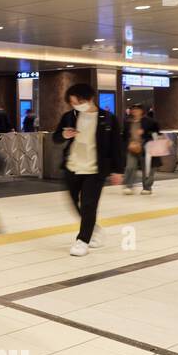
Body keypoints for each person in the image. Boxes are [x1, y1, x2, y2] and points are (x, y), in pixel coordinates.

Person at [52, 83, 124, 257]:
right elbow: (56, 138)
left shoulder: (108, 118)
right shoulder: (69, 117)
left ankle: (82, 240)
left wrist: (118, 170)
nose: (75, 105)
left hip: (95, 170)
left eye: (77, 101)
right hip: (72, 167)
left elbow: (117, 146)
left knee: (88, 204)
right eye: (72, 103)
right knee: (74, 203)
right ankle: (93, 228)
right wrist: (63, 135)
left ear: (89, 99)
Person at [123, 103, 160, 195]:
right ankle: (128, 186)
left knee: (146, 168)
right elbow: (124, 135)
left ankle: (147, 187)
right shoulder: (128, 122)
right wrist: (126, 144)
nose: (135, 111)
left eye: (137, 109)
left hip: (145, 148)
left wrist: (145, 133)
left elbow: (156, 132)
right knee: (130, 167)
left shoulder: (149, 121)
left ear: (142, 111)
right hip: (131, 147)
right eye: (133, 109)